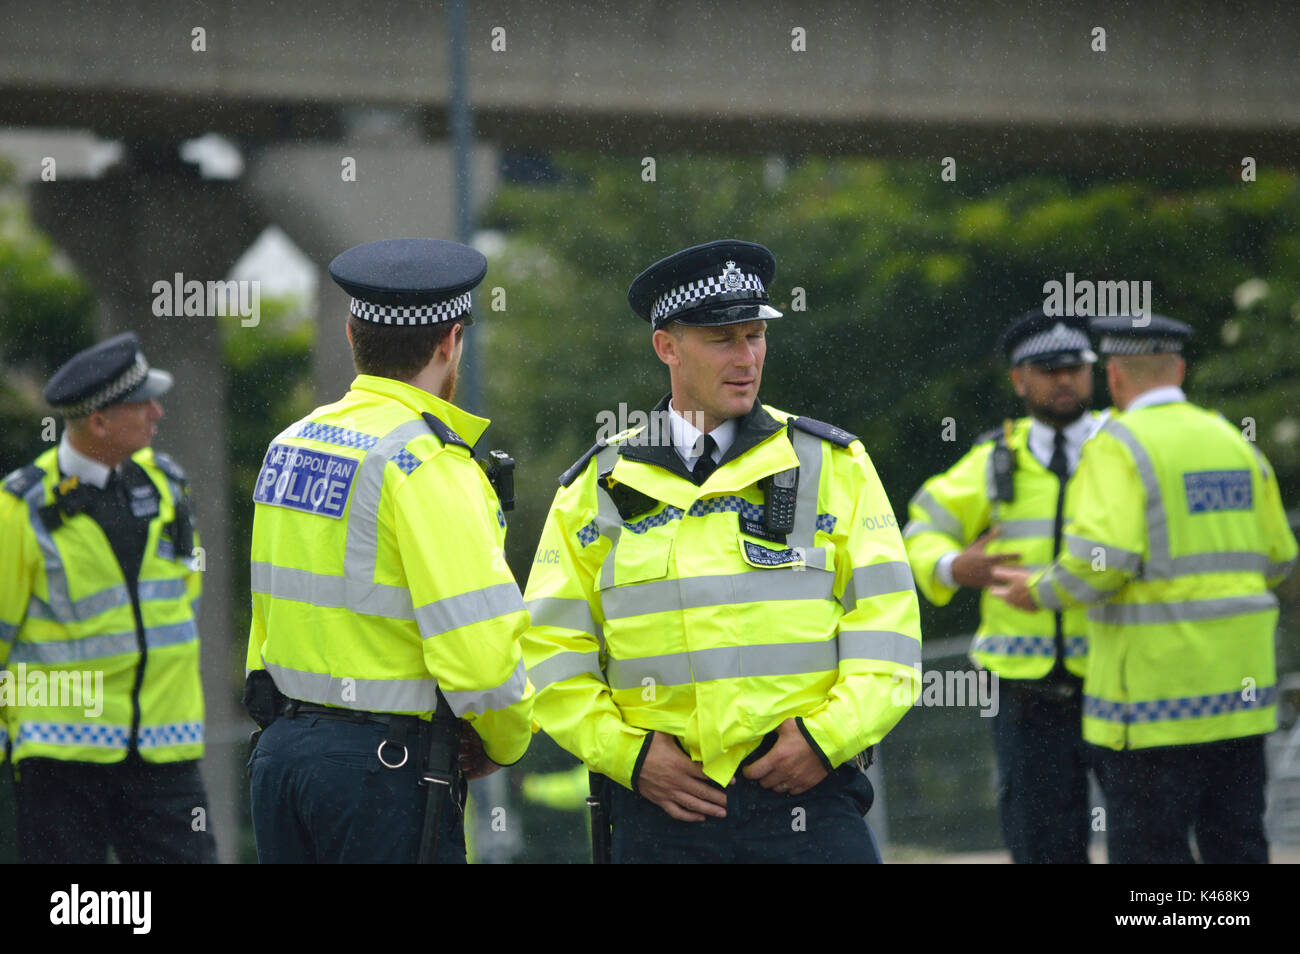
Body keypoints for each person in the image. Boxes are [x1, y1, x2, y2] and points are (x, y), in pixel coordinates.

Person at [521, 239, 922, 863]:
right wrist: (629, 756)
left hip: (809, 799)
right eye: (722, 339)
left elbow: (888, 629)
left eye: (756, 335)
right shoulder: (597, 486)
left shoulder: (833, 463)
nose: (747, 359)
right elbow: (548, 653)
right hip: (662, 809)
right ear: (667, 347)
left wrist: (824, 741)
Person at [244, 238, 534, 864]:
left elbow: (266, 614)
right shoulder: (429, 464)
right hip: (380, 773)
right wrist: (505, 742)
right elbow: (479, 654)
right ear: (450, 341)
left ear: (352, 333)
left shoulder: (291, 443)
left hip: (282, 758)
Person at [992, 314, 1298, 864]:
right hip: (1240, 697)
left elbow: (1098, 564)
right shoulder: (1231, 441)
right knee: (1238, 845)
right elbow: (1278, 558)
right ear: (1179, 369)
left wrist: (1037, 591)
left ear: (1114, 377)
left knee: (1151, 859)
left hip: (1153, 705)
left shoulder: (1118, 445)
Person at [0, 332, 213, 863]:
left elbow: (187, 595)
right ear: (98, 422)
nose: (158, 413)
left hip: (166, 749)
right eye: (143, 405)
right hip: (62, 757)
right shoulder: (22, 506)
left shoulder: (167, 484)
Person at [903, 310, 1101, 863]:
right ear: (1019, 380)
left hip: (1117, 675)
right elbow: (920, 529)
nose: (1063, 380)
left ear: (1094, 373)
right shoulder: (993, 461)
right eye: (1047, 369)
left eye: (1075, 368)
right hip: (1024, 693)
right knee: (1039, 841)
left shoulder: (1121, 450)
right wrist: (950, 567)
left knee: (1144, 834)